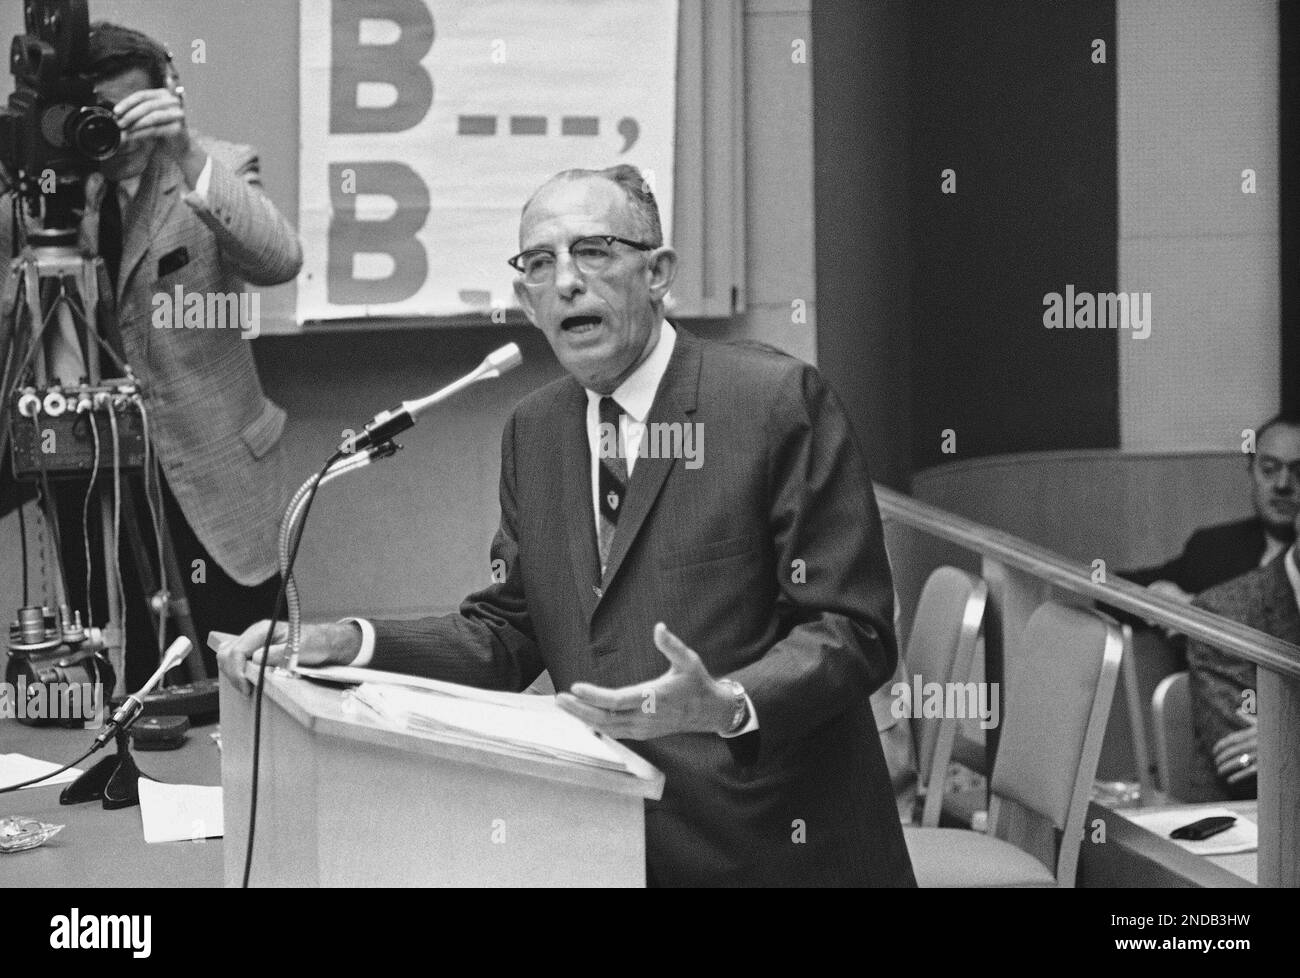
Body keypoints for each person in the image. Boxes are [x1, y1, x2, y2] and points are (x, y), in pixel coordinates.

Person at [220, 164, 916, 887]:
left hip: (772, 850)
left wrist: (727, 703)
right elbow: (509, 631)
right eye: (541, 264)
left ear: (659, 273)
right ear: (525, 298)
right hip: (594, 843)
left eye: (595, 252)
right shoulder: (537, 430)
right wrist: (350, 641)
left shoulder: (772, 403)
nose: (567, 282)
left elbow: (853, 628)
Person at [0, 23, 302, 688]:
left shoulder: (217, 165)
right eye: (102, 116)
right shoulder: (43, 193)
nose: (121, 135)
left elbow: (279, 258)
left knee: (245, 662)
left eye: (136, 113)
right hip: (96, 470)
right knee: (123, 663)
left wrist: (185, 149)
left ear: (170, 96)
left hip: (211, 464)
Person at [1184, 508, 1300, 800]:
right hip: (1256, 822)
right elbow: (1243, 767)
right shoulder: (1225, 613)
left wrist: (1288, 739)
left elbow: (1278, 748)